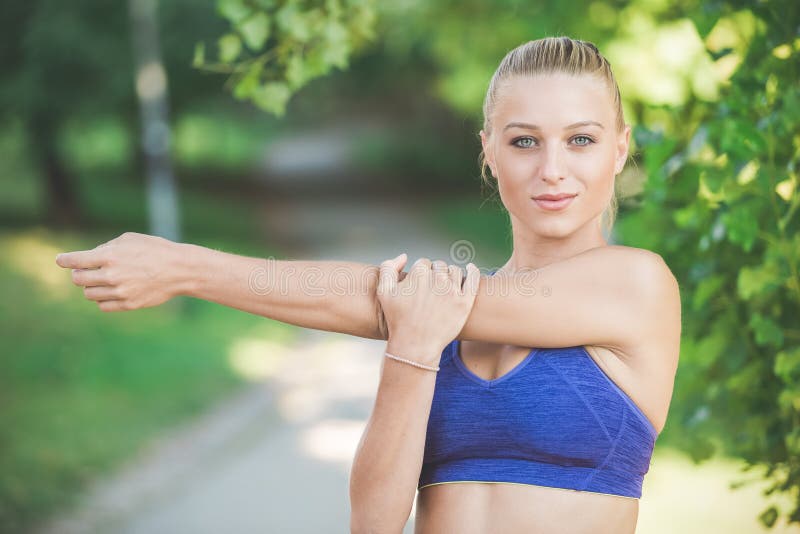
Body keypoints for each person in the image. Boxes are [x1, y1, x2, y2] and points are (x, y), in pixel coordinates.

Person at [55, 36, 681, 534]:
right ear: (488, 150)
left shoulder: (636, 284)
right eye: (524, 141)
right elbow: (373, 523)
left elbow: (369, 296)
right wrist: (412, 349)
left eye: (581, 140)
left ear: (620, 149)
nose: (552, 169)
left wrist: (183, 265)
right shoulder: (436, 316)